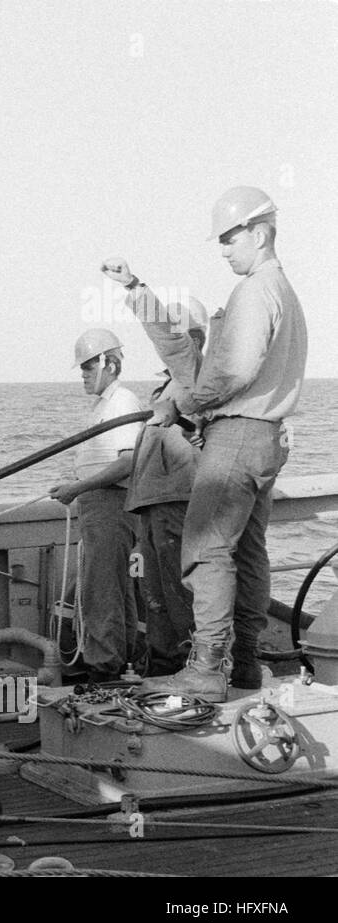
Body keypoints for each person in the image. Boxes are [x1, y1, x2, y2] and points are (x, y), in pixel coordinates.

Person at [105, 186, 308, 700]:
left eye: (229, 238)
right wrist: (135, 286)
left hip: (237, 437)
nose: (223, 250)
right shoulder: (284, 292)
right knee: (250, 554)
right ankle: (244, 667)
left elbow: (234, 369)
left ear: (259, 234)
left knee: (207, 550)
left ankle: (207, 669)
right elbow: (184, 349)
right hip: (264, 439)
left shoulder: (254, 292)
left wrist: (185, 407)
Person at [108, 292, 207, 674]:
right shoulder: (170, 384)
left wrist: (134, 289)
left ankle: (191, 668)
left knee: (179, 592)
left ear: (193, 338)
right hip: (154, 503)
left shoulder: (194, 374)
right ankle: (167, 669)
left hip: (176, 500)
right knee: (157, 595)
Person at [48, 329, 143, 681]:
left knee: (101, 589)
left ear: (110, 364)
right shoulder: (104, 405)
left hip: (110, 504)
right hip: (97, 504)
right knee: (109, 587)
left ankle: (105, 669)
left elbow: (126, 462)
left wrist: (78, 487)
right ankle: (119, 662)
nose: (84, 375)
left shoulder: (121, 402)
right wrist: (80, 487)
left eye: (88, 368)